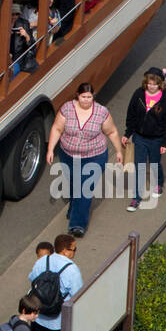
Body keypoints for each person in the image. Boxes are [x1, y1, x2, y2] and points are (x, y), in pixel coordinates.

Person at [46, 82, 123, 236]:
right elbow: (57, 128)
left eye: (89, 97)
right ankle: (75, 208)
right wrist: (50, 149)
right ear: (77, 96)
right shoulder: (67, 109)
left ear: (93, 96)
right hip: (68, 155)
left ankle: (77, 225)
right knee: (74, 184)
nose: (86, 100)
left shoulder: (101, 112)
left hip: (94, 157)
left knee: (84, 189)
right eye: (83, 97)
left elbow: (112, 131)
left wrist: (119, 151)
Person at [122, 66, 166, 208]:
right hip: (139, 137)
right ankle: (136, 198)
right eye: (149, 83)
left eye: (155, 84)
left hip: (156, 139)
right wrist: (128, 133)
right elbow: (131, 115)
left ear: (160, 84)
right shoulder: (138, 94)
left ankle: (159, 182)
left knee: (154, 164)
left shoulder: (165, 98)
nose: (151, 86)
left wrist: (165, 142)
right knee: (139, 167)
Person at [27, 233, 83, 331]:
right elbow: (78, 295)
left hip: (37, 316)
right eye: (73, 249)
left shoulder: (42, 261)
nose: (74, 252)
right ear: (65, 251)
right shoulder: (72, 270)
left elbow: (32, 278)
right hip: (57, 321)